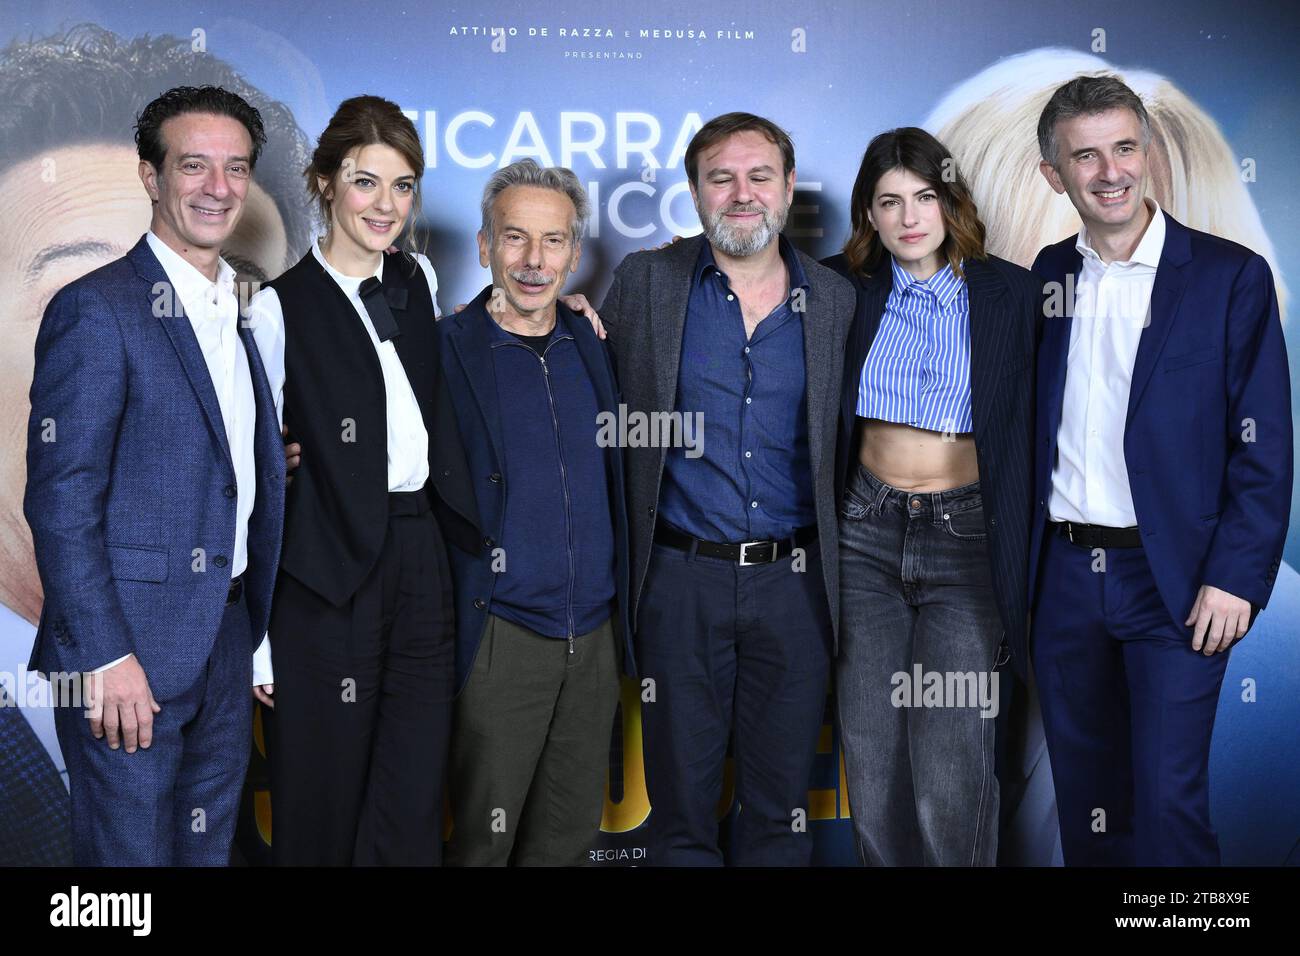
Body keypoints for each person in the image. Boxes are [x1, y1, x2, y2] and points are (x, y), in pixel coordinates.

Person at [0, 25, 313, 864]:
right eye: (193, 165)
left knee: (202, 855)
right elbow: (59, 497)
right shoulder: (97, 307)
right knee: (126, 872)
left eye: (235, 167)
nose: (218, 188)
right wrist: (102, 656)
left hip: (221, 641)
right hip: (125, 656)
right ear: (153, 174)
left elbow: (218, 465)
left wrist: (255, 640)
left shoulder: (236, 313)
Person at [1028, 74, 1292, 865]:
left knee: (1169, 802)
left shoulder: (1227, 277)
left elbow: (1265, 445)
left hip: (1175, 581)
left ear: (1146, 154)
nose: (1110, 172)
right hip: (1065, 577)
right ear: (1055, 174)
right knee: (1090, 803)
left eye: (1124, 148)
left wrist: (1237, 578)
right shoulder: (1046, 274)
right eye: (1086, 156)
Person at [599, 112, 855, 866]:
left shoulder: (835, 301)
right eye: (722, 178)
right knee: (682, 817)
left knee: (779, 814)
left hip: (797, 587)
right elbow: (585, 382)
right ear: (695, 191)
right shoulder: (647, 283)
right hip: (680, 584)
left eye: (759, 176)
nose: (742, 194)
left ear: (786, 188)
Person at [245, 95, 481, 866]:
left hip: (420, 556)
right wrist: (260, 642)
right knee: (320, 800)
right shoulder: (276, 309)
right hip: (322, 572)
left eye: (403, 185)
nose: (386, 204)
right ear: (323, 182)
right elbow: (254, 475)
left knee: (412, 796)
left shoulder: (419, 279)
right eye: (366, 182)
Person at [823, 127, 1041, 866]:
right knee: (874, 757)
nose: (909, 217)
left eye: (924, 197)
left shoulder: (1011, 292)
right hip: (865, 533)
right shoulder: (838, 288)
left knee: (951, 765)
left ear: (951, 203)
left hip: (968, 541)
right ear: (870, 216)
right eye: (889, 202)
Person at [435, 160, 635, 866]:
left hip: (596, 637)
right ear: (485, 245)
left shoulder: (594, 343)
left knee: (566, 841)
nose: (532, 261)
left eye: (552, 242)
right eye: (514, 238)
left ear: (575, 256)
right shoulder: (444, 350)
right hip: (501, 636)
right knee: (483, 846)